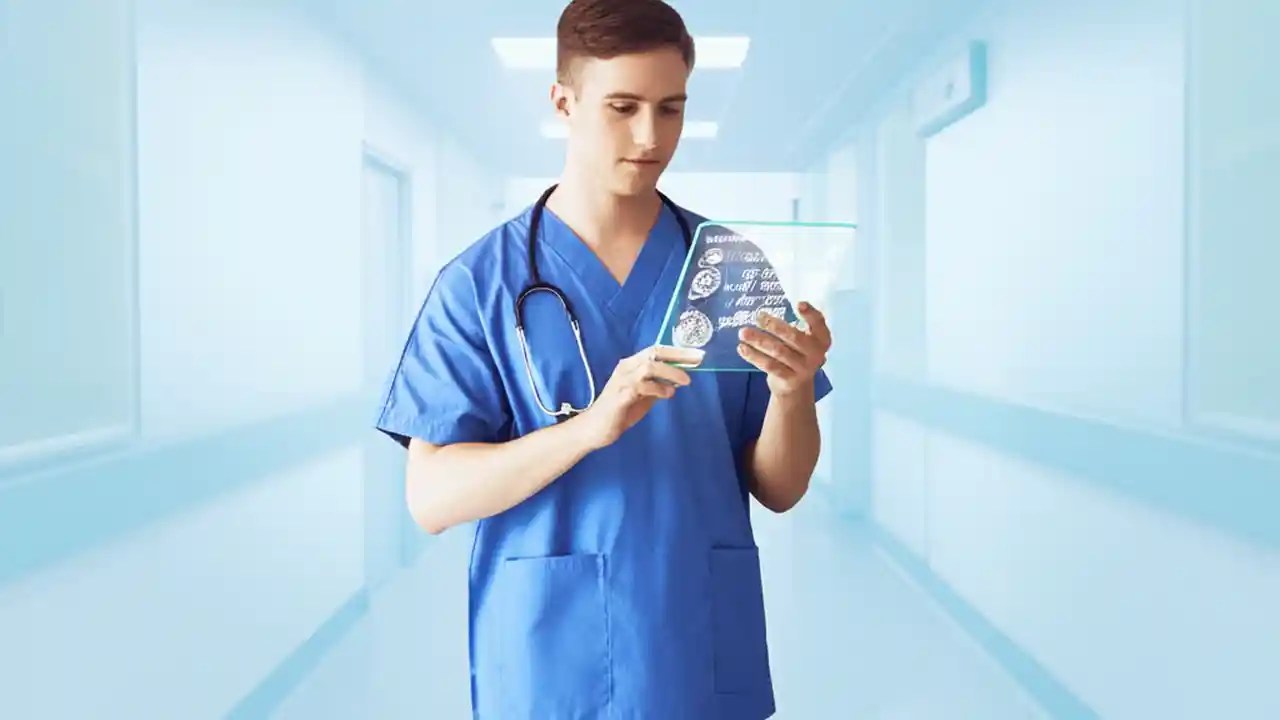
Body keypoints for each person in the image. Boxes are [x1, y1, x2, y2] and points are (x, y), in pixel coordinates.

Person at [373, 0, 833, 717]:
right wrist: (588, 429)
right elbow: (431, 498)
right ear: (563, 100)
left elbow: (778, 487)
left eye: (671, 109)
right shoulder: (481, 283)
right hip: (548, 664)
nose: (651, 136)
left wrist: (793, 392)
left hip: (697, 655)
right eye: (623, 107)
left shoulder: (728, 268)